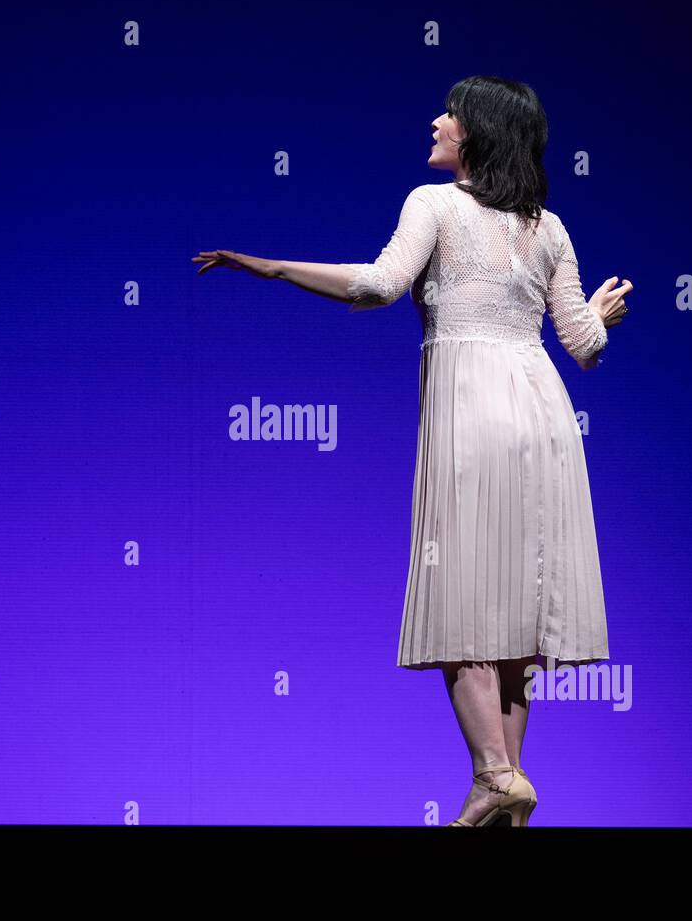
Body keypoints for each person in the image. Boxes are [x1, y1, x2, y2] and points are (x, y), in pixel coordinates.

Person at [192, 75, 631, 828]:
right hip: (544, 417)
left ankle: (495, 775)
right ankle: (505, 789)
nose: (436, 120)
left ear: (479, 133)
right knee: (517, 620)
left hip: (471, 415)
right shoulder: (550, 228)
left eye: (450, 114)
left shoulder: (433, 204)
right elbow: (583, 348)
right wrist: (598, 314)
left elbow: (376, 286)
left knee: (463, 600)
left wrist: (270, 267)